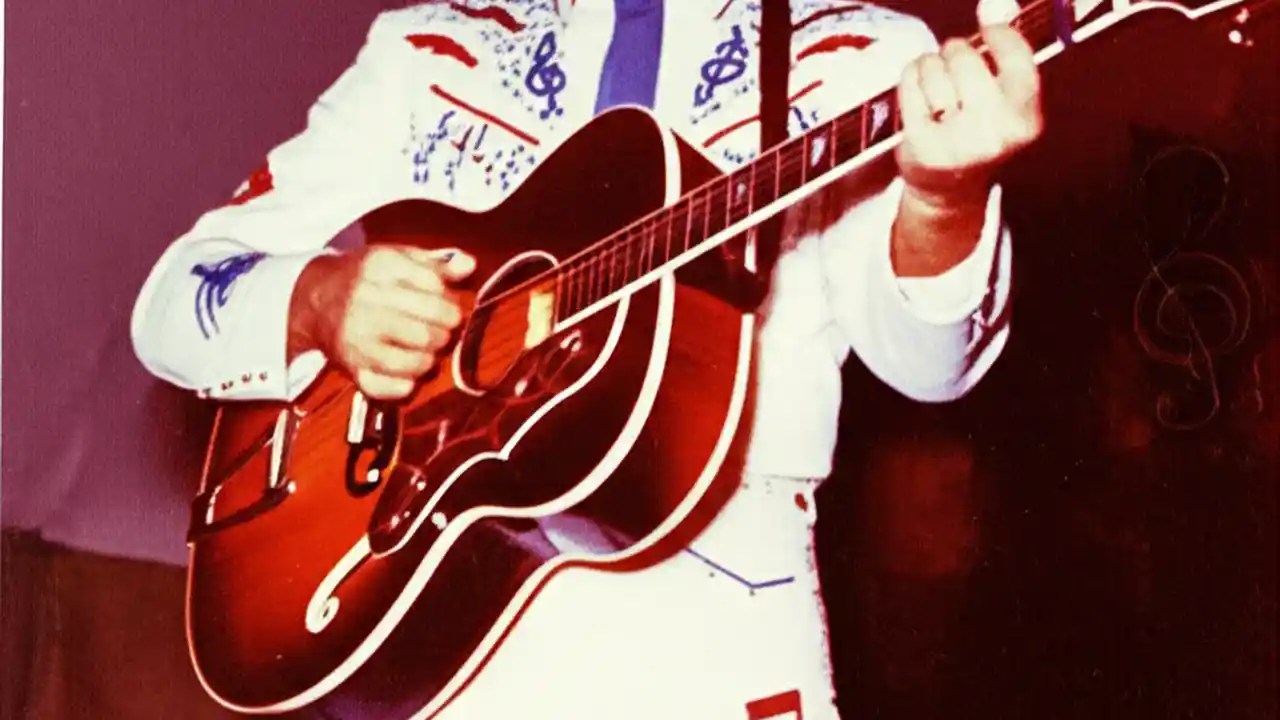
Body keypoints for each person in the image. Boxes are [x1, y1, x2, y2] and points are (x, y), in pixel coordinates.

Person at [130, 0, 1042, 717]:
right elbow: (175, 301)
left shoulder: (860, 56)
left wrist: (943, 202)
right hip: (437, 651)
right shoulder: (426, 53)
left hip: (716, 649)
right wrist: (314, 300)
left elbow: (932, 366)